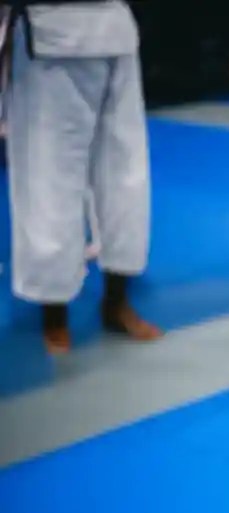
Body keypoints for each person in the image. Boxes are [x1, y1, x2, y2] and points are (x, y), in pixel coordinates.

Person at [2, 0, 162, 354]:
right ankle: (54, 313)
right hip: (48, 38)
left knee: (125, 174)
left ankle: (117, 299)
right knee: (50, 177)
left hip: (116, 31)